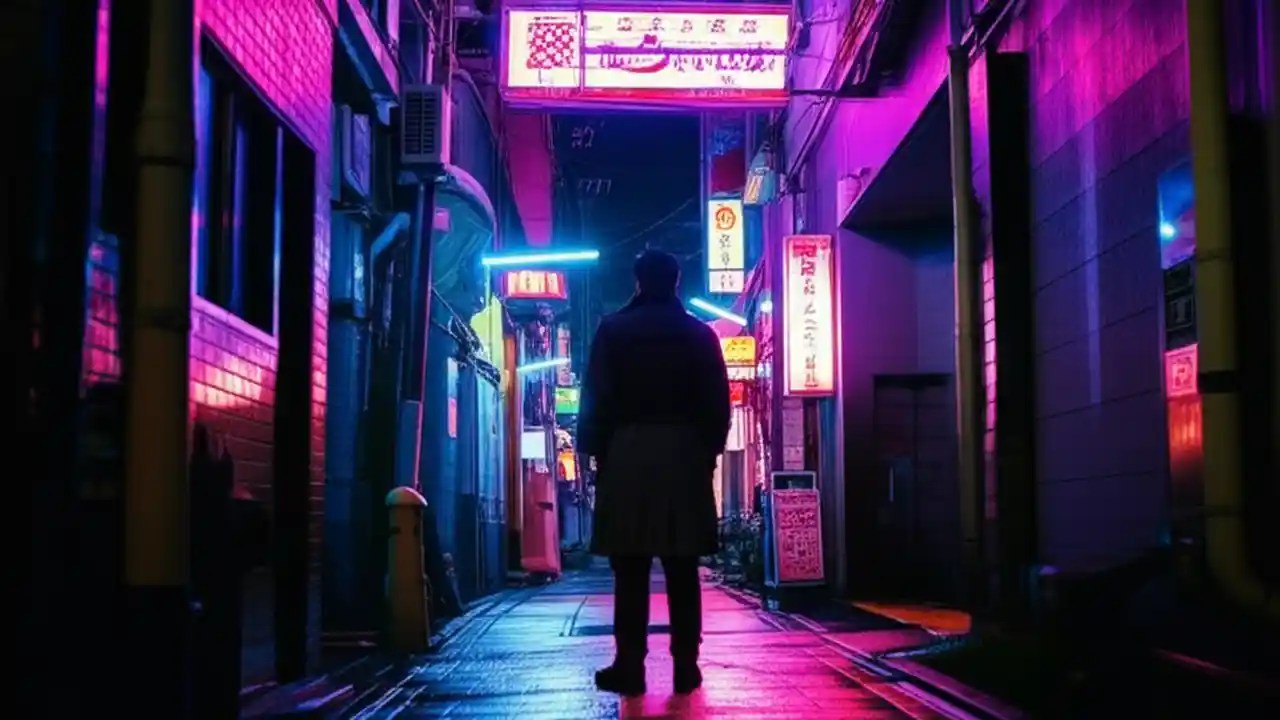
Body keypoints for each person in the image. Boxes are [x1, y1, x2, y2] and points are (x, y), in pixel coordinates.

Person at [577, 249, 732, 697]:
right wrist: (708, 452)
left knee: (630, 568)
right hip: (684, 453)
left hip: (626, 452)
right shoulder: (700, 335)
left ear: (638, 280)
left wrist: (594, 454)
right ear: (677, 281)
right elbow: (717, 404)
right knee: (683, 567)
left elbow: (596, 397)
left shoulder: (614, 330)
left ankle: (630, 665)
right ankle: (686, 664)